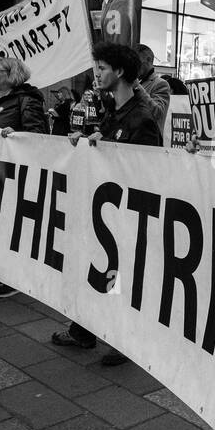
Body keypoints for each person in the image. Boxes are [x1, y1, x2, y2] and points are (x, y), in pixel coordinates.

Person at [51, 43, 162, 366]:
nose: (96, 75)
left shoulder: (141, 119)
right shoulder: (115, 112)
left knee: (119, 277)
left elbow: (147, 172)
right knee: (98, 270)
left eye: (101, 68)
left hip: (126, 215)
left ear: (121, 72)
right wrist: (88, 145)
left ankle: (125, 341)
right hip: (108, 213)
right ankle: (85, 330)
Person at [0, 55, 47, 298]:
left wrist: (18, 134)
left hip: (15, 175)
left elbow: (39, 134)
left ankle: (16, 277)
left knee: (13, 227)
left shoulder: (26, 100)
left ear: (11, 74)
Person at [137, 44, 173, 131]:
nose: (135, 66)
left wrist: (137, 87)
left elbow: (158, 112)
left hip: (149, 141)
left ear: (148, 60)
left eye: (138, 62)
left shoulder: (161, 84)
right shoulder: (139, 83)